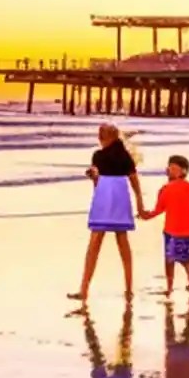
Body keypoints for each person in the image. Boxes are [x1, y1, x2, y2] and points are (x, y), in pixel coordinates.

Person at [70, 123, 146, 301]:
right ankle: (128, 289)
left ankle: (84, 289)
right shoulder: (125, 156)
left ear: (106, 137)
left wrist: (94, 177)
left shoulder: (98, 156)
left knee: (95, 243)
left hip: (104, 198)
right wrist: (140, 204)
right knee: (122, 242)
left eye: (101, 135)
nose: (99, 138)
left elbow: (99, 184)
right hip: (120, 196)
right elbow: (134, 181)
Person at [139, 155, 189, 295]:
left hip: (185, 231)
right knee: (170, 259)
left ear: (183, 172)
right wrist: (145, 215)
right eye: (169, 168)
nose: (170, 170)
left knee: (183, 259)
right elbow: (159, 209)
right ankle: (170, 286)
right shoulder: (164, 189)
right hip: (169, 230)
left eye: (174, 168)